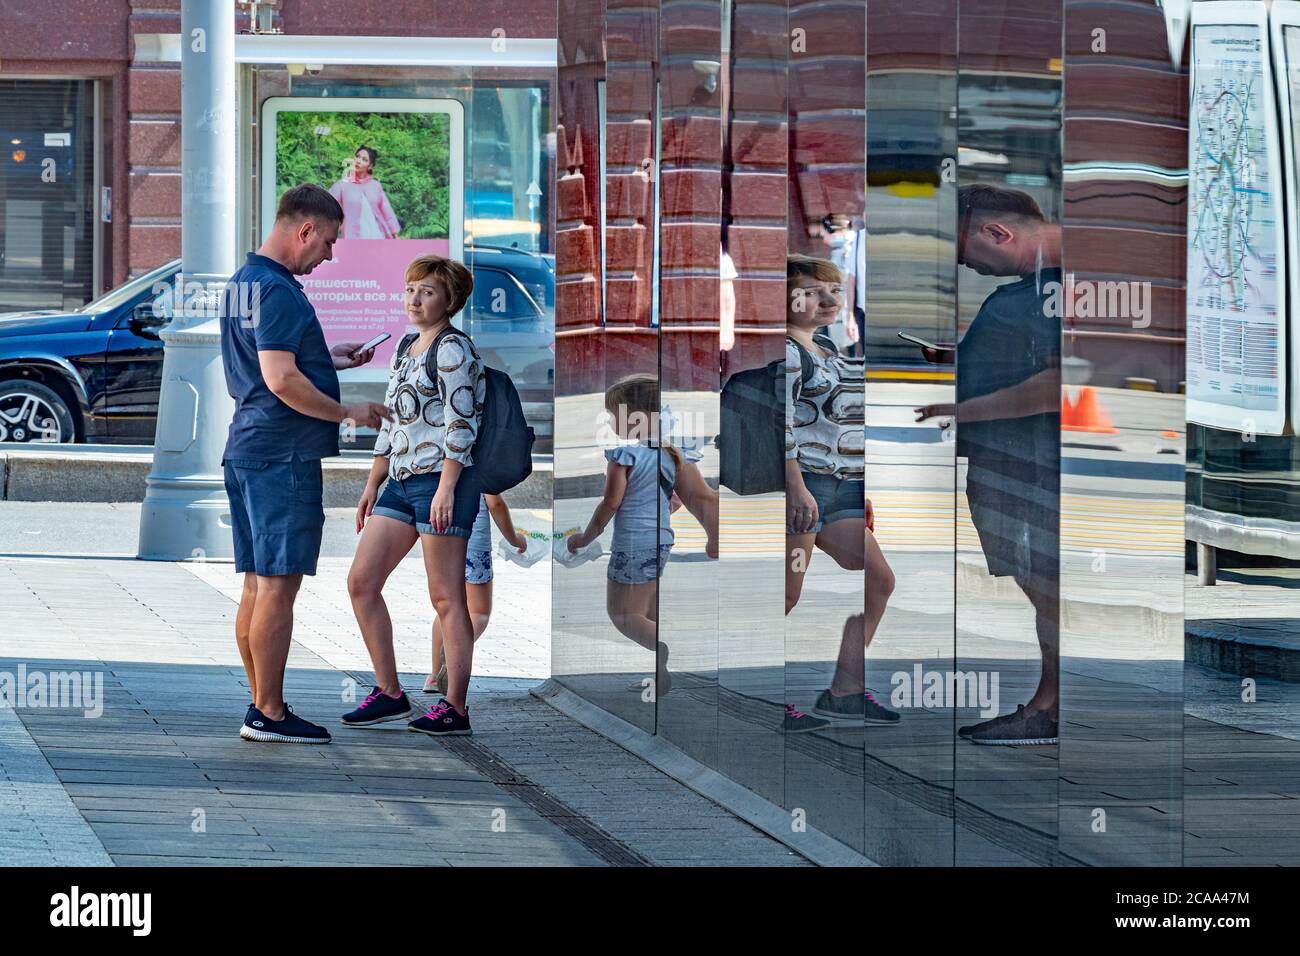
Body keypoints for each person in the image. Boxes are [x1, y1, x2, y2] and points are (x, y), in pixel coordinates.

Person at [222, 183, 391, 745]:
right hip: (283, 453)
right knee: (277, 587)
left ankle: (260, 704)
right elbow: (281, 379)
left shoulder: (244, 283)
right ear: (304, 230)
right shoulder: (278, 291)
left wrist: (332, 356)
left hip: (249, 448)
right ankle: (268, 712)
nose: (331, 254)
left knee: (257, 584)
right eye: (329, 242)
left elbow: (281, 361)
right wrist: (348, 410)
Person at [915, 183, 1061, 746]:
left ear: (998, 233)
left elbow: (1056, 383)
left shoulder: (1057, 285)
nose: (966, 266)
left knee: (1046, 580)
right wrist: (966, 356)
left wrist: (962, 406)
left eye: (965, 253)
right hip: (1013, 459)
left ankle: (1050, 707)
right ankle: (1048, 702)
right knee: (1039, 580)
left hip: (1031, 461)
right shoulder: (1031, 286)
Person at [342, 253, 486, 736]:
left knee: (446, 598)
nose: (415, 299)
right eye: (410, 290)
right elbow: (394, 419)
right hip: (400, 483)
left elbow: (462, 424)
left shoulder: (453, 349)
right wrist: (372, 481)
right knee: (362, 581)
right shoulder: (407, 345)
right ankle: (389, 692)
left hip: (441, 482)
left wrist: (447, 488)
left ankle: (455, 707)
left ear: (450, 299)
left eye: (427, 291)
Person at [783, 254, 899, 730]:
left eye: (834, 289)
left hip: (838, 488)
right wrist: (795, 490)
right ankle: (749, 693)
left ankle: (845, 691)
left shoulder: (827, 346)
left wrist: (859, 481)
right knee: (784, 596)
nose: (828, 299)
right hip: (805, 489)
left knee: (878, 578)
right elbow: (781, 426)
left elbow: (840, 423)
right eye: (811, 291)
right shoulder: (789, 354)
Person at [566, 373, 718, 698]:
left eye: (613, 413)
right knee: (648, 609)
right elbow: (680, 499)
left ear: (635, 415)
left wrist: (583, 539)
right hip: (660, 542)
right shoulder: (671, 453)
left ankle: (666, 651)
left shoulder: (624, 457)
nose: (609, 420)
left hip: (632, 543)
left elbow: (609, 505)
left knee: (623, 614)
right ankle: (659, 675)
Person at [422, 494, 528, 696]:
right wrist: (514, 538)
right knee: (479, 612)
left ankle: (434, 676)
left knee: (447, 607)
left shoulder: (438, 462)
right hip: (472, 543)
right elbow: (494, 502)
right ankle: (452, 651)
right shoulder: (477, 461)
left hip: (438, 537)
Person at [329, 145, 401, 240]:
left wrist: (394, 233)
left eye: (364, 159)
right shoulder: (342, 185)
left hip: (378, 235)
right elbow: (327, 205)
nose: (358, 161)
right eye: (357, 156)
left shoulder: (375, 186)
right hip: (353, 238)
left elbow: (386, 210)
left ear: (370, 166)